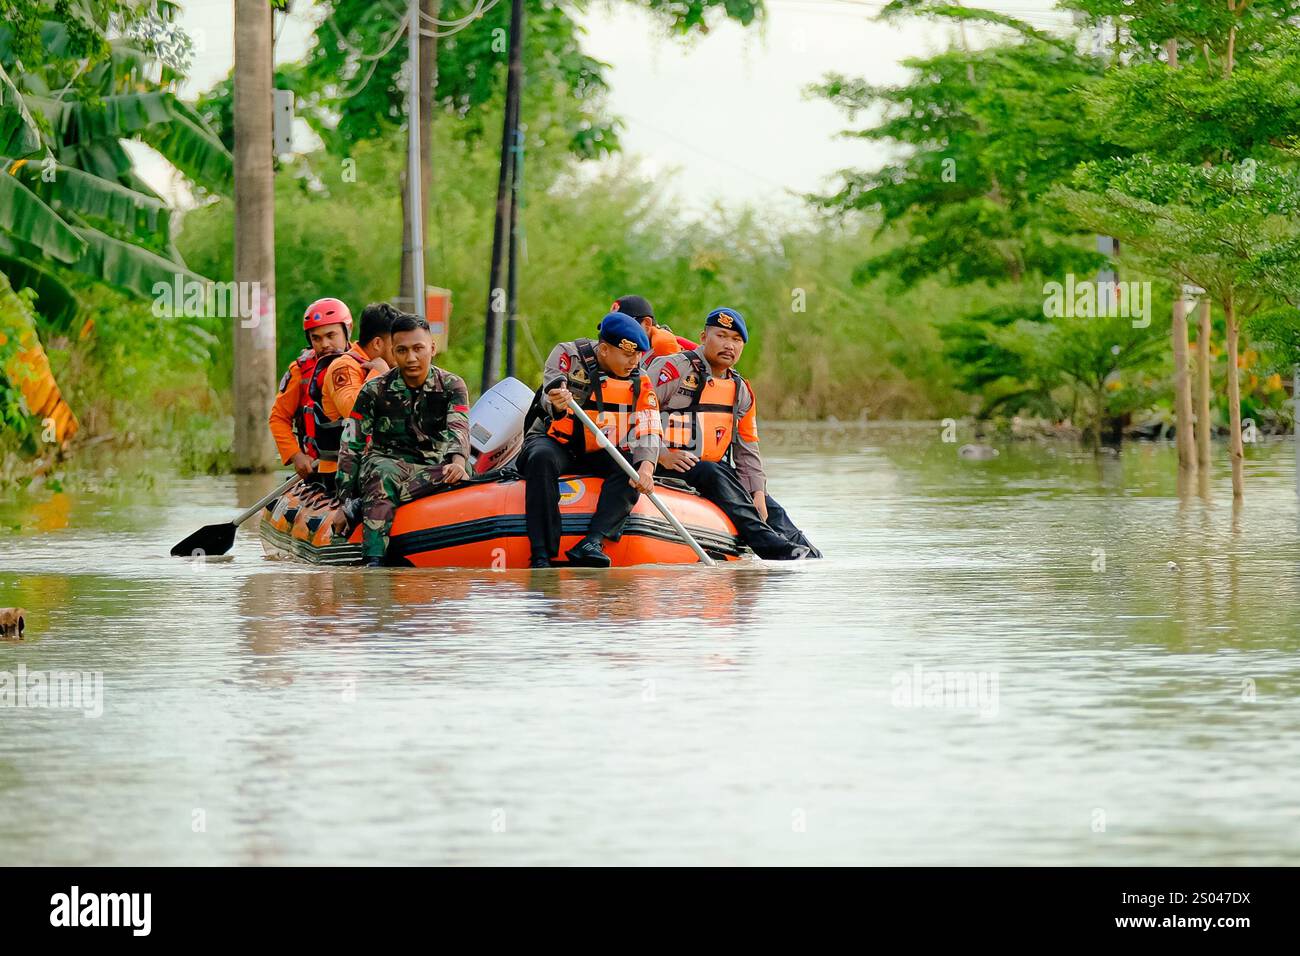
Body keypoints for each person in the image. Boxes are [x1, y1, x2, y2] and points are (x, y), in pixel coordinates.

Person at [648, 307, 819, 560]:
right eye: (722, 336)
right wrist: (661, 454)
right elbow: (633, 413)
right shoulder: (672, 370)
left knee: (772, 509)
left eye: (736, 340)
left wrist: (758, 493)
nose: (729, 345)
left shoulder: (741, 390)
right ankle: (769, 546)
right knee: (713, 472)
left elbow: (747, 448)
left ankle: (809, 555)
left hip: (710, 468)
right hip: (660, 462)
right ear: (704, 337)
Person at [517, 313, 662, 568]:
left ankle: (593, 541)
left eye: (639, 354)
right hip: (556, 442)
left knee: (630, 466)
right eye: (628, 355)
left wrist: (647, 467)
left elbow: (649, 426)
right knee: (541, 458)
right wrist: (557, 400)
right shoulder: (568, 355)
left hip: (599, 447)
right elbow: (552, 384)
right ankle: (541, 554)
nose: (635, 361)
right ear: (604, 350)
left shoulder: (641, 379)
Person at [335, 313, 471, 567]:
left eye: (418, 349)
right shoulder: (374, 390)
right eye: (402, 350)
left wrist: (459, 462)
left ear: (432, 348)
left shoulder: (453, 386)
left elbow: (459, 427)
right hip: (388, 463)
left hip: (435, 467)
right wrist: (343, 501)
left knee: (463, 475)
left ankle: (367, 504)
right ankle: (374, 562)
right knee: (383, 474)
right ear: (392, 353)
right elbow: (351, 443)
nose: (411, 358)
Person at [268, 297, 361, 491]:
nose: (324, 344)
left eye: (331, 335)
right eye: (316, 338)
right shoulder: (300, 371)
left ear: (347, 330)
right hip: (320, 467)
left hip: (360, 464)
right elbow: (278, 418)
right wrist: (296, 455)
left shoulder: (364, 363)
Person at [319, 301, 398, 424]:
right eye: (395, 344)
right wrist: (379, 375)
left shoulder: (387, 367)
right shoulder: (343, 366)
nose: (400, 351)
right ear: (377, 343)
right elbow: (353, 413)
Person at [608, 294, 697, 363]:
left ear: (646, 323)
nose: (617, 334)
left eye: (623, 327)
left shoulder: (665, 345)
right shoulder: (633, 350)